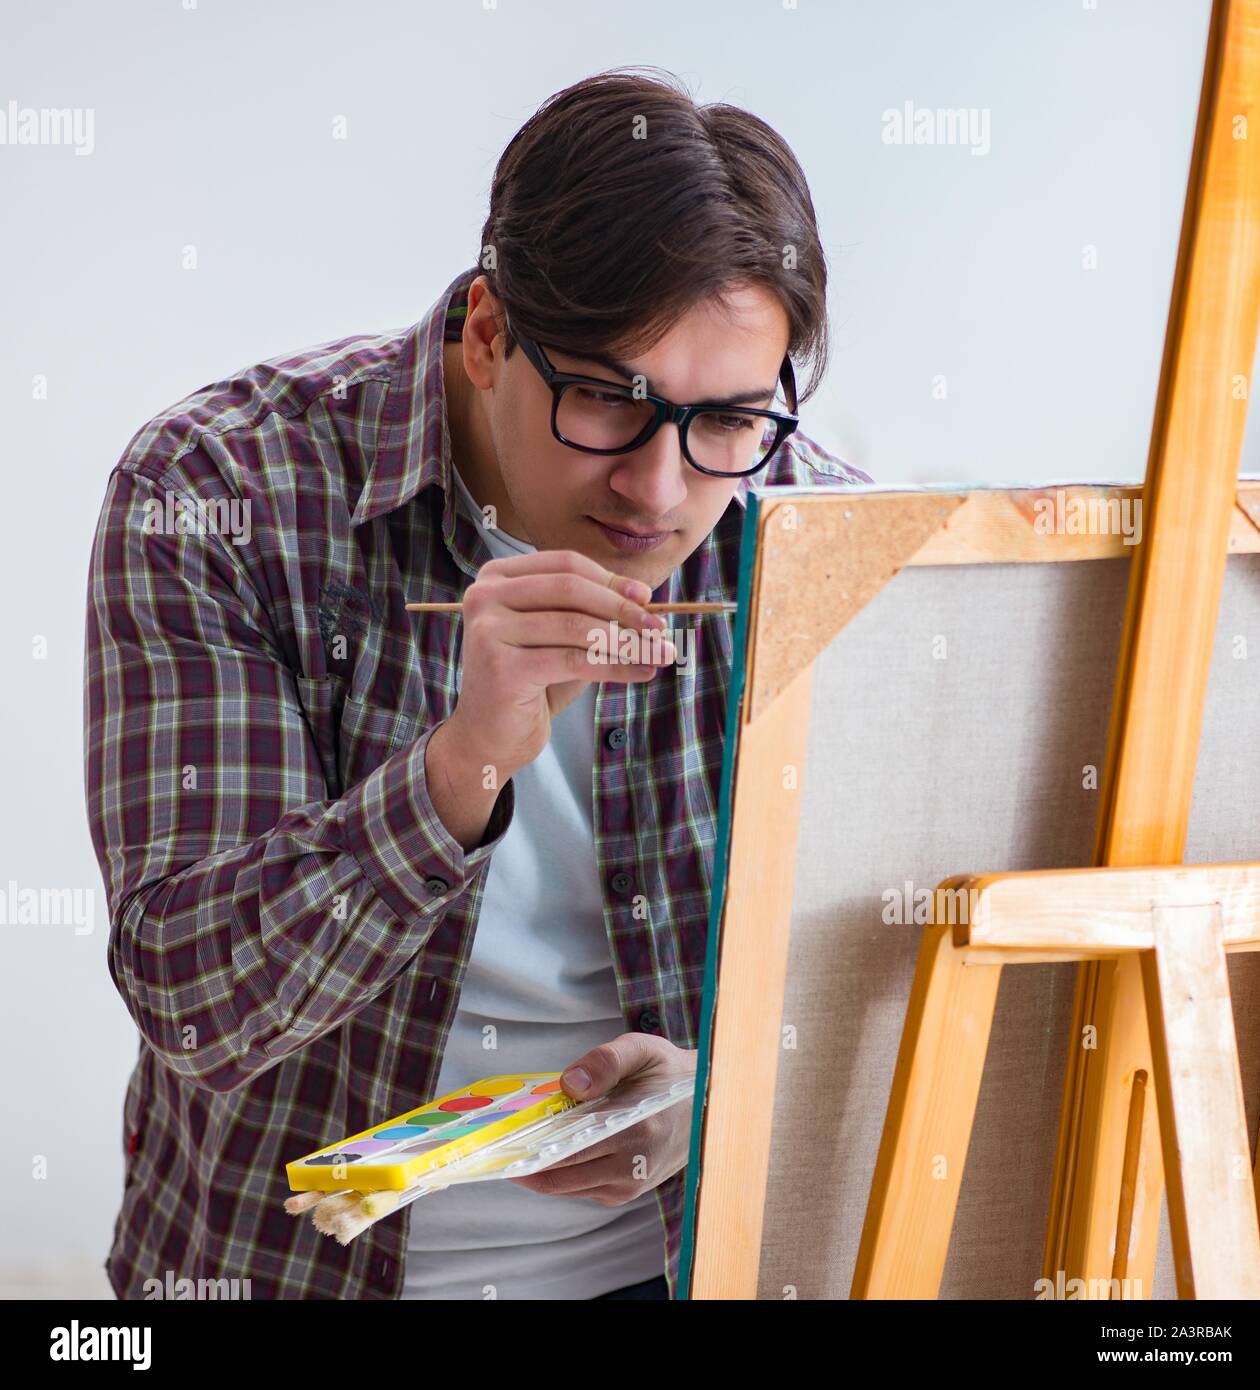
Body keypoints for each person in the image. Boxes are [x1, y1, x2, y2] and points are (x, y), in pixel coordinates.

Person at [83, 65, 872, 1301]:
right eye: (610, 402)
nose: (660, 492)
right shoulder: (221, 493)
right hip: (279, 1270)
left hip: (668, 1271)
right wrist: (458, 773)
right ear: (490, 333)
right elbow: (196, 1004)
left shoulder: (815, 533)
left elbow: (877, 966)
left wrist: (711, 1093)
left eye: (725, 419)